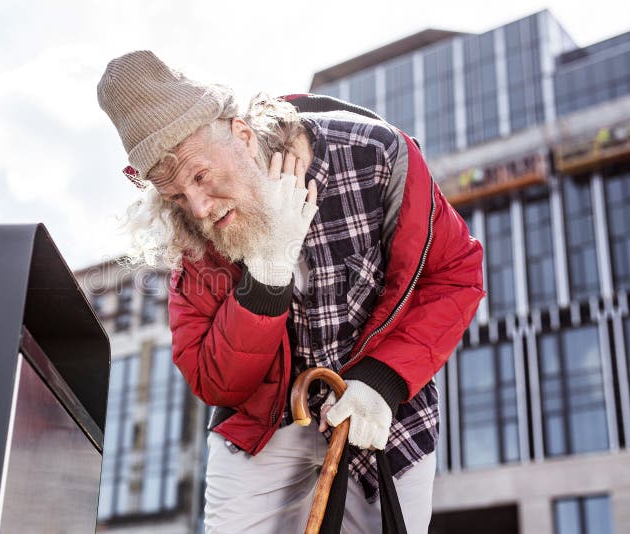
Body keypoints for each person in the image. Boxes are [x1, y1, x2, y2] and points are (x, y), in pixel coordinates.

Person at [97, 50, 485, 534]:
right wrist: (267, 277)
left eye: (200, 177)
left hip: (380, 410)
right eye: (175, 195)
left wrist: (384, 379)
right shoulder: (190, 236)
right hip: (264, 424)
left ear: (240, 134)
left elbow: (454, 274)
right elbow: (213, 379)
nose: (196, 207)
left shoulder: (375, 155)